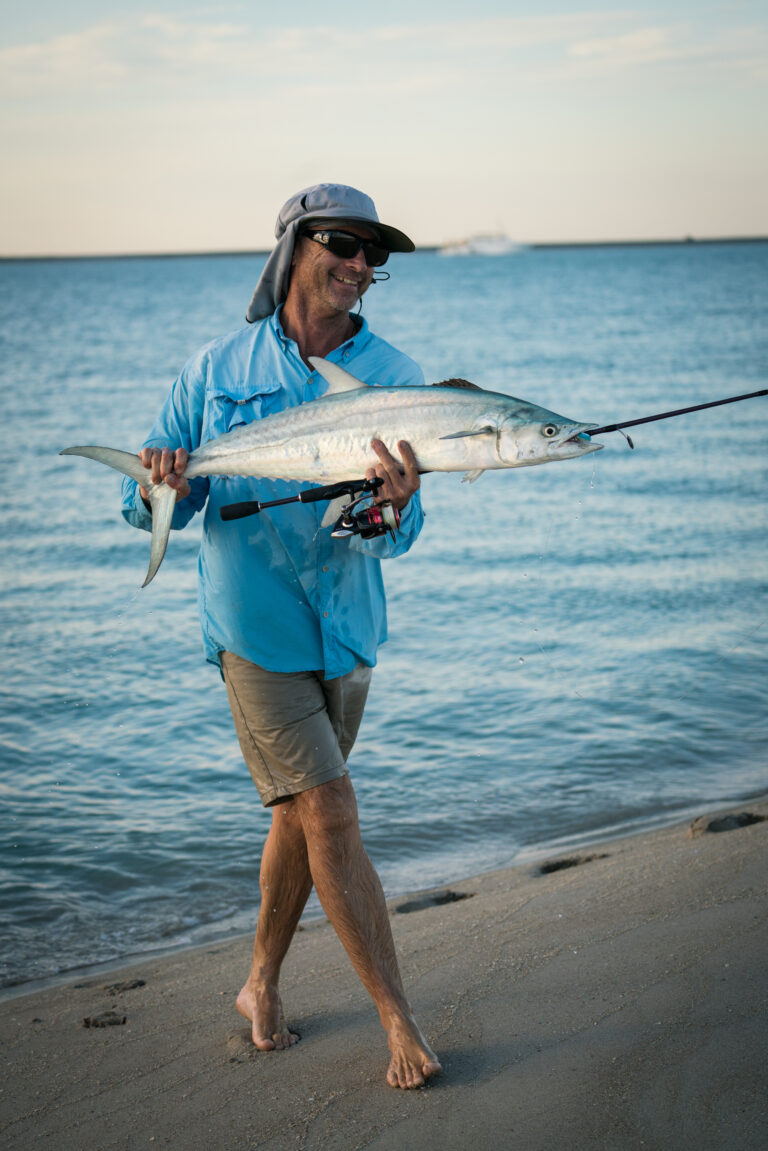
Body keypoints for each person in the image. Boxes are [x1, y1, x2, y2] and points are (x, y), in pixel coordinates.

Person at [120, 184, 442, 1089]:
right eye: (345, 243)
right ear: (296, 245)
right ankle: (398, 1018)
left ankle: (259, 982)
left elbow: (402, 533)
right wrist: (163, 486)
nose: (361, 264)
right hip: (253, 630)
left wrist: (394, 505)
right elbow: (140, 501)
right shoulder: (215, 370)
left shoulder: (395, 371)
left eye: (374, 253)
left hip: (348, 633)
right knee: (331, 807)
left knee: (301, 816)